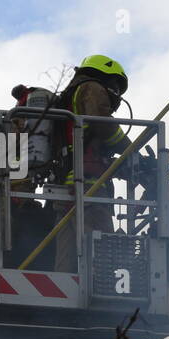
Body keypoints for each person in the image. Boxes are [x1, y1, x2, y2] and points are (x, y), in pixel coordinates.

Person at [52, 55, 133, 272]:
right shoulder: (92, 87)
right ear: (105, 74)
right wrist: (130, 151)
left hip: (69, 187)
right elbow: (102, 124)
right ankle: (104, 284)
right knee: (101, 252)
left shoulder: (70, 98)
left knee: (67, 263)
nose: (115, 92)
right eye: (115, 85)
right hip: (90, 188)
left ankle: (61, 304)